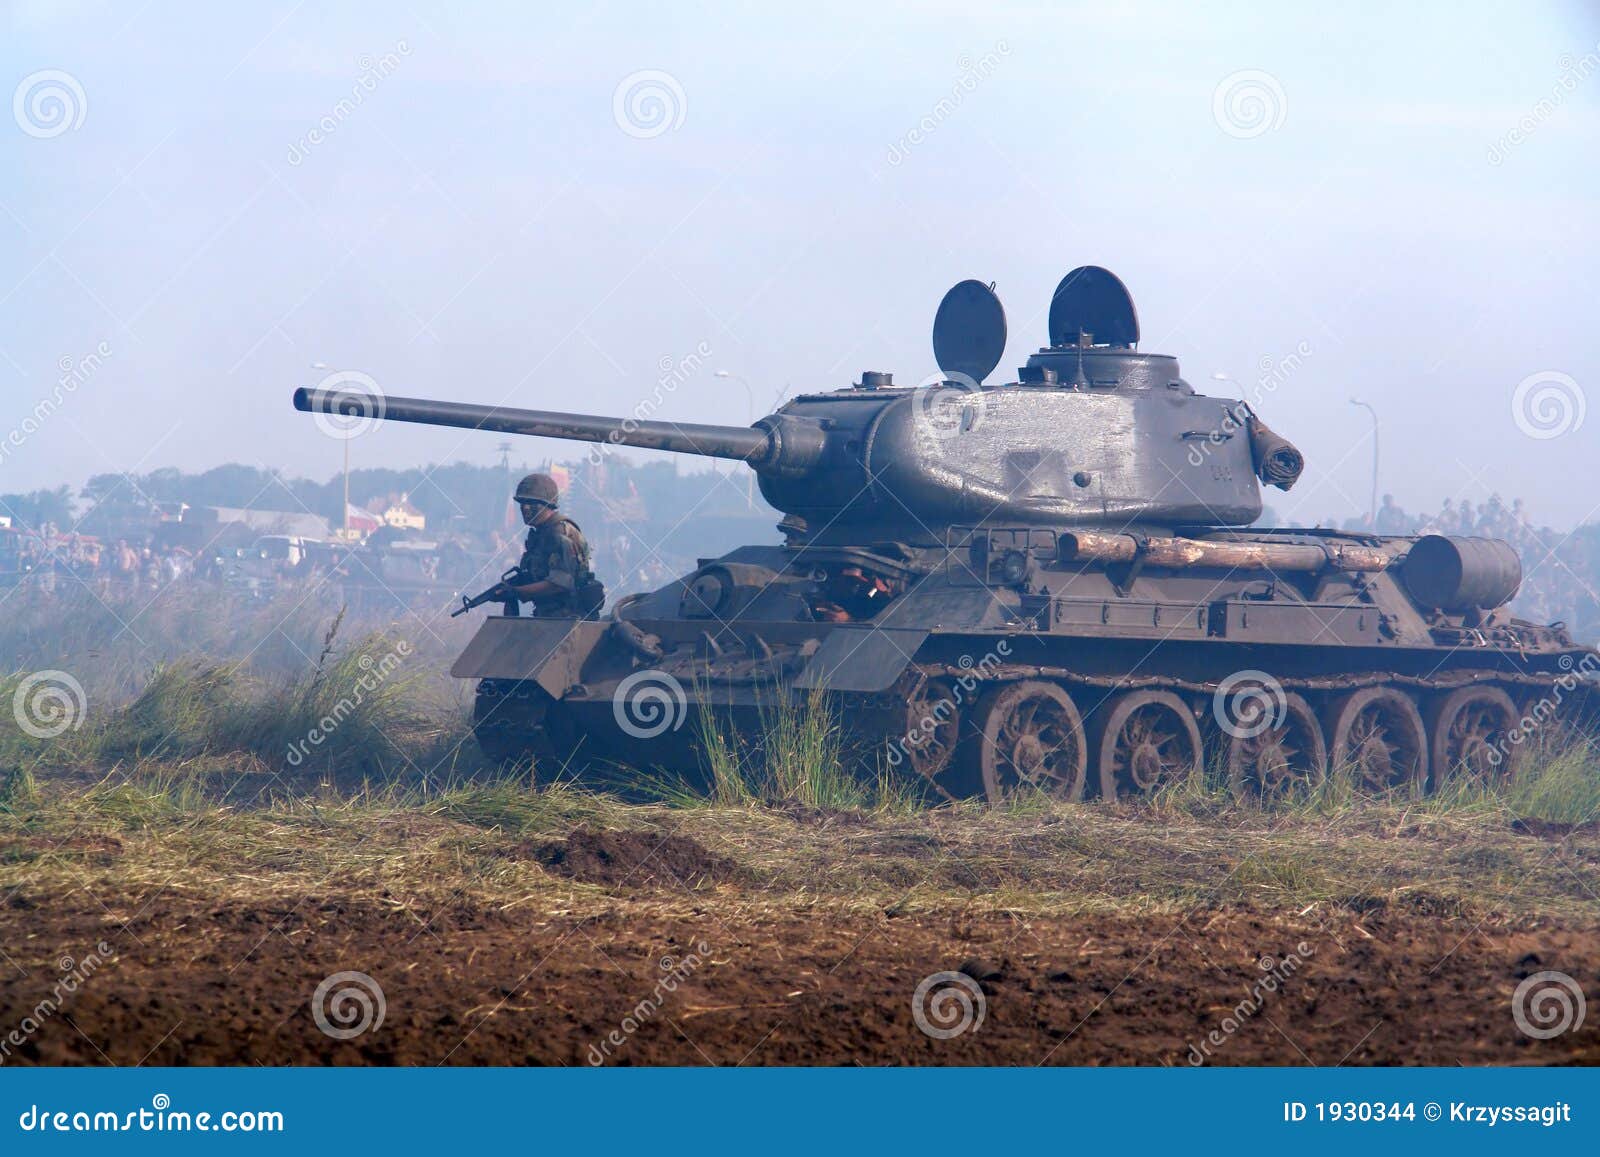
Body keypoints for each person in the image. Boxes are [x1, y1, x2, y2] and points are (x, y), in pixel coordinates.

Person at [505, 473, 604, 617]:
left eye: (532, 503)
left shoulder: (559, 533)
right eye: (522, 502)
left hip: (569, 620)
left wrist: (518, 592)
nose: (525, 508)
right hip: (549, 618)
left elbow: (559, 583)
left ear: (548, 505)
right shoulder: (540, 534)